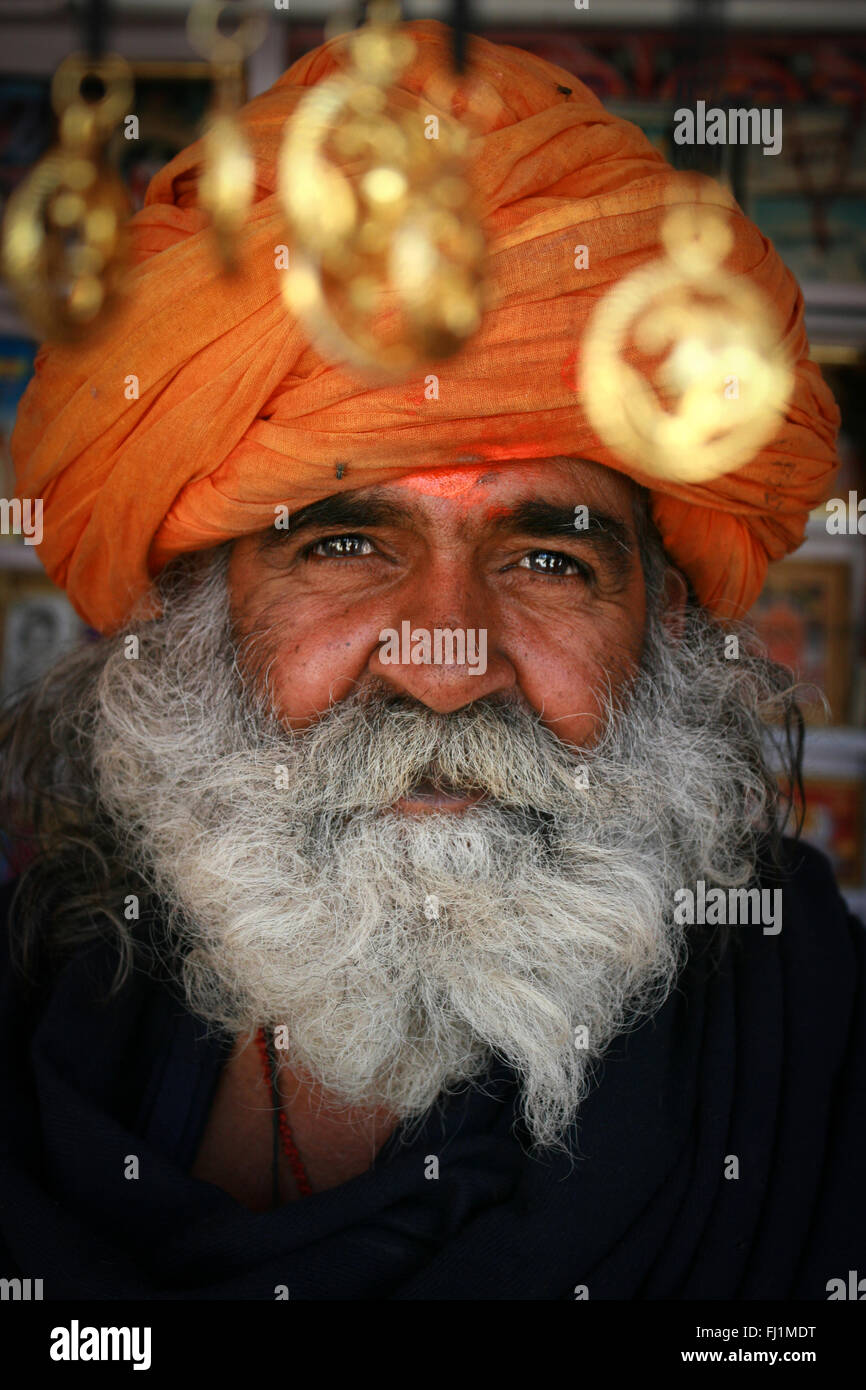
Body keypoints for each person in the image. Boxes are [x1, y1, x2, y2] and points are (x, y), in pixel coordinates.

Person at [0, 20, 862, 1301]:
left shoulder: (817, 1042)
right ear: (196, 615)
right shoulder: (47, 1015)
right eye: (345, 544)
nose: (445, 659)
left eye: (550, 560)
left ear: (667, 624)